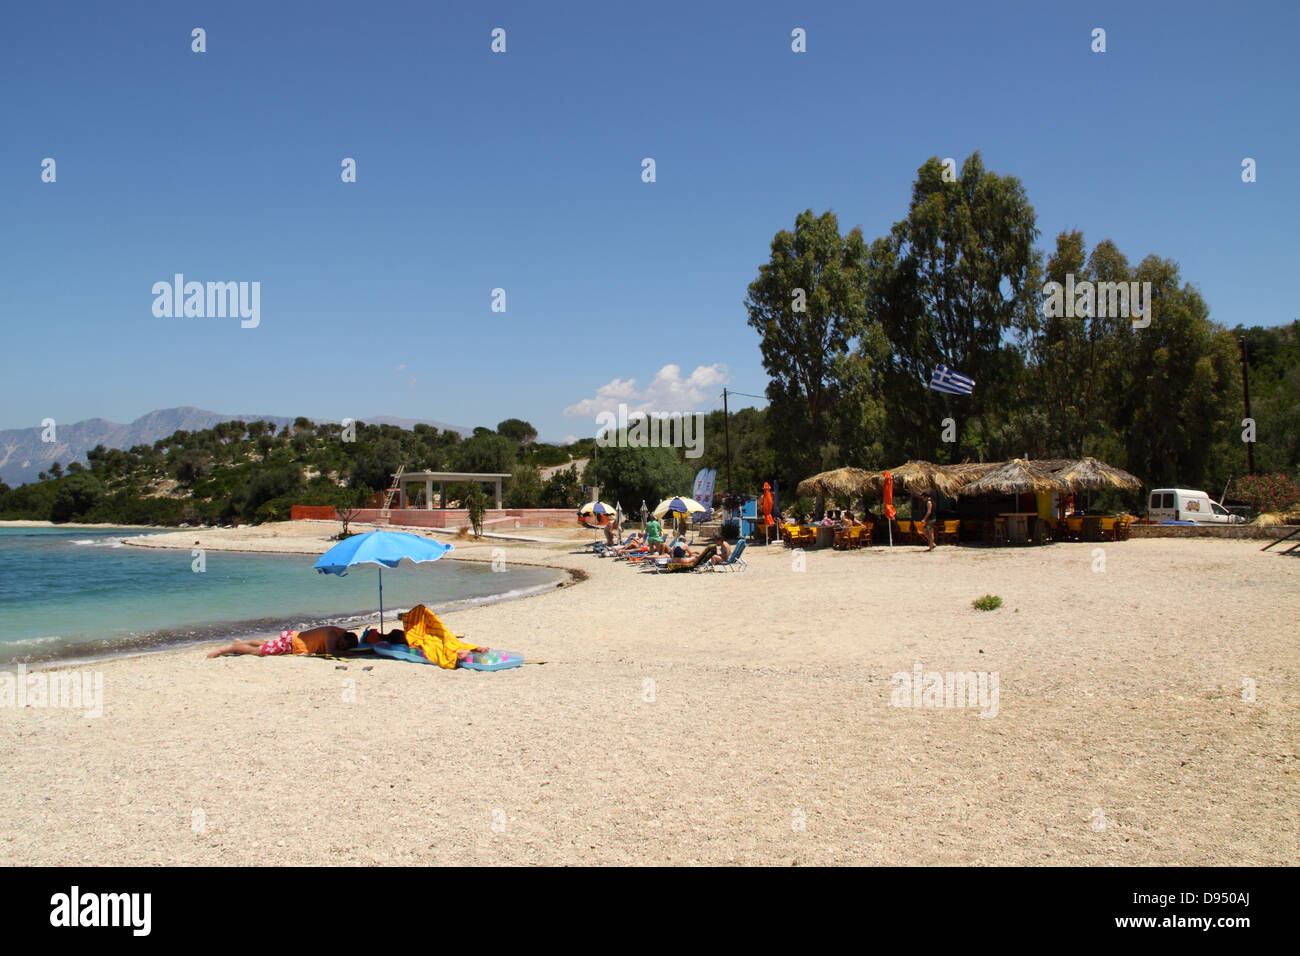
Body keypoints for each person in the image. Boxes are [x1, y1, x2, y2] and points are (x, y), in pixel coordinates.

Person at [207, 625, 359, 658]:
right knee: (261, 652)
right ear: (343, 638)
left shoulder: (339, 632)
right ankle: (227, 649)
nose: (340, 646)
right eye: (342, 644)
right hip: (292, 642)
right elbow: (332, 651)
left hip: (293, 637)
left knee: (266, 644)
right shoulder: (333, 634)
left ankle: (242, 642)